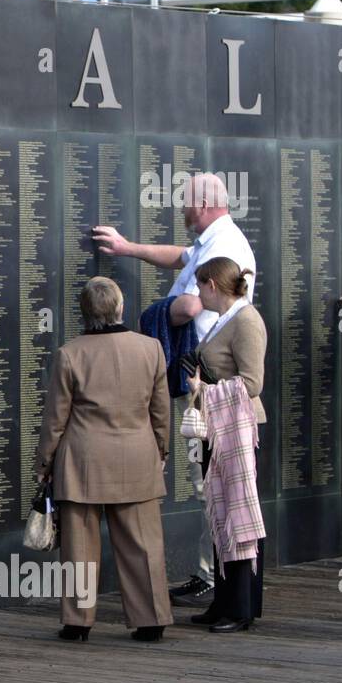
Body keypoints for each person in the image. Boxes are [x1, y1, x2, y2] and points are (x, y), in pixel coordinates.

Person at [94, 171, 256, 607]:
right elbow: (180, 258)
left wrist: (156, 315)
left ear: (203, 205)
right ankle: (213, 575)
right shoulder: (213, 240)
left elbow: (192, 304)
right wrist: (129, 248)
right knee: (209, 480)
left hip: (210, 382)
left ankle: (217, 577)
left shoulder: (225, 246)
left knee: (213, 483)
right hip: (201, 377)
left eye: (185, 202)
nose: (180, 208)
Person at [34, 277, 173, 642]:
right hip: (138, 457)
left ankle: (78, 622)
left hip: (82, 462)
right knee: (142, 544)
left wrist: (44, 463)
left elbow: (55, 418)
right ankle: (151, 619)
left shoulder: (70, 354)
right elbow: (160, 411)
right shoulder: (151, 349)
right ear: (120, 307)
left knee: (79, 545)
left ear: (83, 312)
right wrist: (161, 450)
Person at [184, 256, 268, 632]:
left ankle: (241, 607)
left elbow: (252, 383)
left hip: (236, 430)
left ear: (212, 285)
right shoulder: (226, 319)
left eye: (200, 285)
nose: (197, 292)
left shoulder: (247, 321)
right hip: (217, 429)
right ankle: (224, 600)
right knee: (220, 515)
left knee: (239, 518)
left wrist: (204, 388)